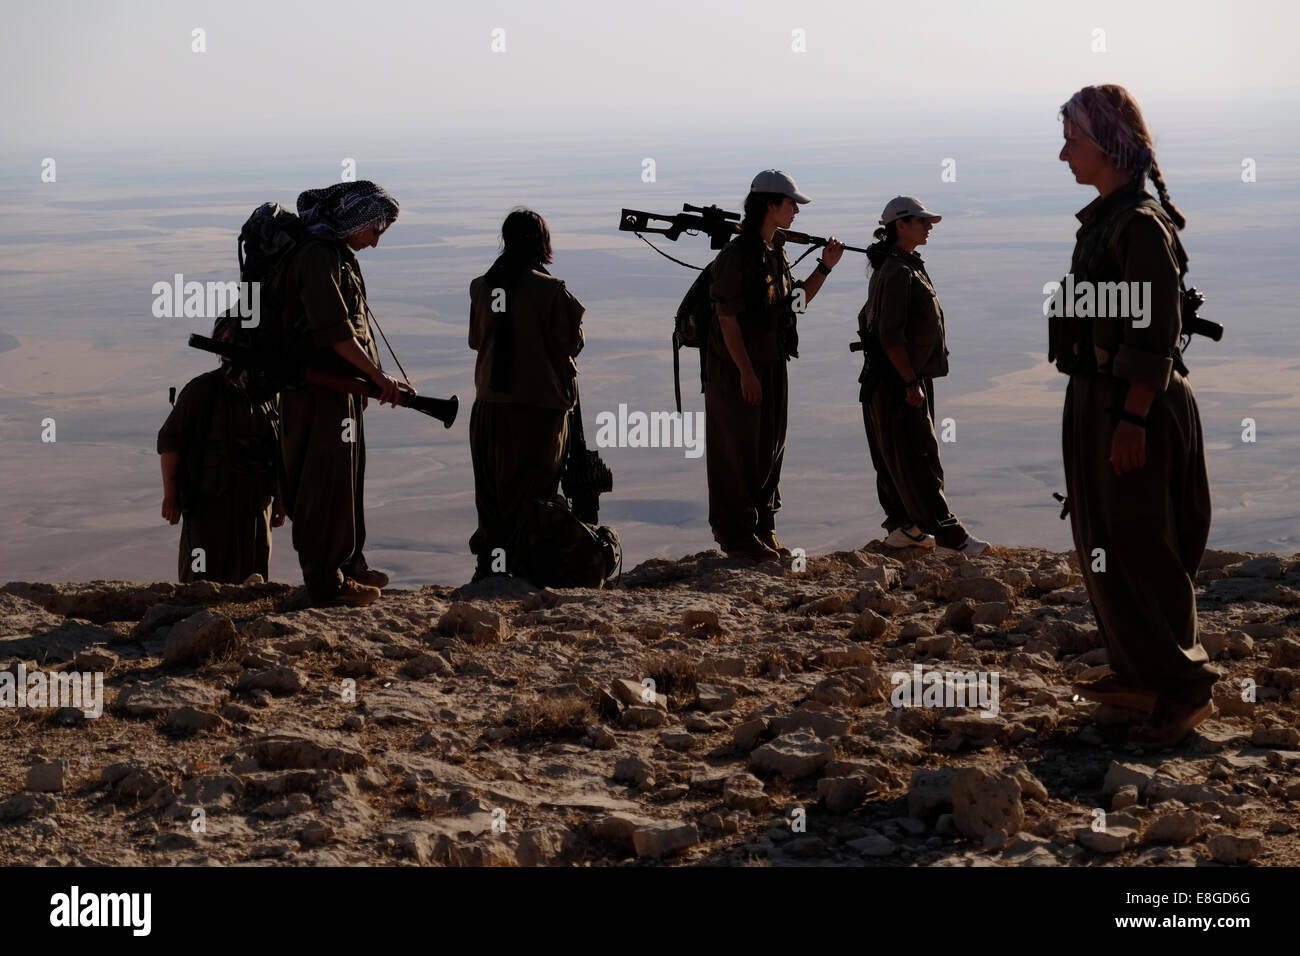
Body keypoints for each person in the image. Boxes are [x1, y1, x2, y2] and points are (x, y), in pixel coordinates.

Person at [1054, 85, 1216, 747]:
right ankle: (1139, 673)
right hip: (1100, 397)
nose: (1063, 152)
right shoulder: (1108, 220)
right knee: (1103, 542)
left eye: (1073, 139)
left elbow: (1154, 330)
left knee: (1142, 543)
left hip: (1133, 403)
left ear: (1108, 145)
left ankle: (1183, 689)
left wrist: (1133, 418)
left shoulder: (1140, 226)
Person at [276, 180, 407, 607]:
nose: (375, 241)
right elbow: (335, 333)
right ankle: (325, 581)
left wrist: (370, 379)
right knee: (323, 484)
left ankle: (350, 564)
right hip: (317, 393)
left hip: (342, 391)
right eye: (375, 230)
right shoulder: (316, 257)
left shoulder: (337, 255)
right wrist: (378, 377)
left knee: (347, 480)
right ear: (356, 219)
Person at [705, 170, 843, 561]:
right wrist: (746, 371)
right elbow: (727, 320)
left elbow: (793, 306)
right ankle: (737, 536)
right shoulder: (737, 256)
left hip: (770, 365)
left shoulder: (773, 251)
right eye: (790, 203)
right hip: (737, 371)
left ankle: (762, 529)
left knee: (769, 447)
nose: (797, 210)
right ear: (770, 205)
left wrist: (825, 267)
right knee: (737, 449)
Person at [857, 197, 989, 556]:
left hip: (898, 379)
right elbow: (889, 337)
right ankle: (951, 539)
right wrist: (910, 382)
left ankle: (907, 530)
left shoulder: (902, 266)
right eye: (921, 221)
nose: (928, 226)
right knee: (918, 458)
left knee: (899, 456)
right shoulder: (898, 272)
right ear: (900, 225)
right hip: (899, 382)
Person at [467, 208, 585, 582]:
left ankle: (491, 568)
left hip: (488, 408)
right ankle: (526, 570)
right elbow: (572, 343)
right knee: (533, 496)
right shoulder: (551, 290)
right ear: (542, 243)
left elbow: (476, 341)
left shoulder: (482, 286)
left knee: (492, 498)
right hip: (538, 411)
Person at [158, 314, 283, 583]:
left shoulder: (269, 396)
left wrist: (281, 497)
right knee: (203, 580)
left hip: (256, 505)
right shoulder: (201, 391)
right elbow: (171, 442)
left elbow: (279, 449)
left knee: (254, 580)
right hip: (209, 505)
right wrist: (171, 496)